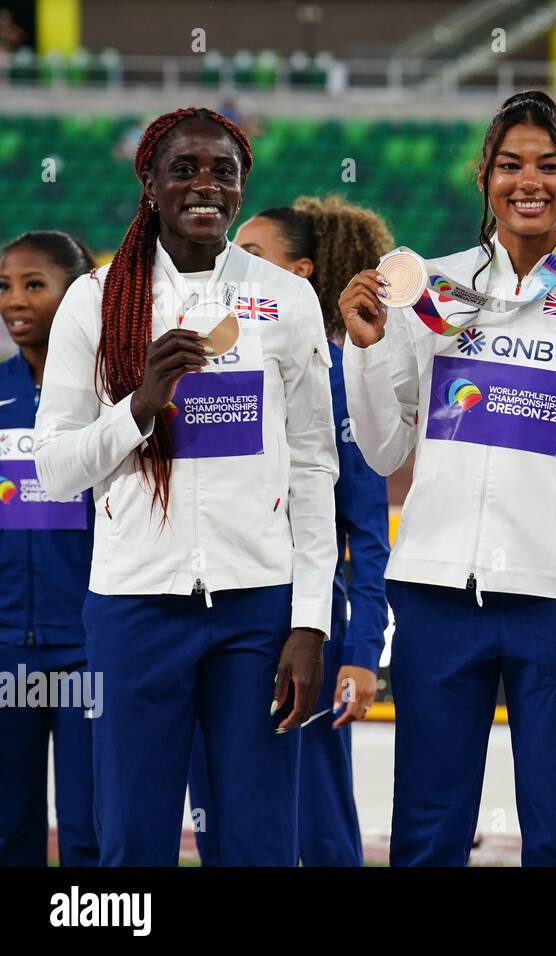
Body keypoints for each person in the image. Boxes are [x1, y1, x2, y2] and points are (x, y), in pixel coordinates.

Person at [339, 90, 556, 866]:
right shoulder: (427, 289)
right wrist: (368, 348)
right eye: (511, 164)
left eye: (549, 165)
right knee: (427, 834)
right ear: (484, 176)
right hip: (435, 596)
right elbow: (383, 452)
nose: (530, 181)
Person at [34, 107, 339, 866]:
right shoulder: (96, 299)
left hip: (257, 610)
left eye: (223, 172)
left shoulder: (285, 299)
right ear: (149, 183)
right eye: (184, 170)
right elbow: (54, 467)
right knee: (132, 842)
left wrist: (310, 621)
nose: (205, 186)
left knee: (258, 842)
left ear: (240, 189)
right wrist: (138, 406)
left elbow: (313, 465)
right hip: (135, 605)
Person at [187, 195, 392, 866]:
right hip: (215, 616)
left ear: (298, 276)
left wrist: (360, 652)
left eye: (251, 256)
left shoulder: (336, 386)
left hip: (306, 628)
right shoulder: (208, 368)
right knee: (219, 805)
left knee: (316, 812)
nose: (230, 268)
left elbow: (367, 533)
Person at [0, 231, 98, 867]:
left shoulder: (111, 392)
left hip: (93, 648)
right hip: (7, 649)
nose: (15, 300)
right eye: (5, 286)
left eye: (35, 284)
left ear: (78, 293)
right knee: (9, 828)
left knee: (93, 829)